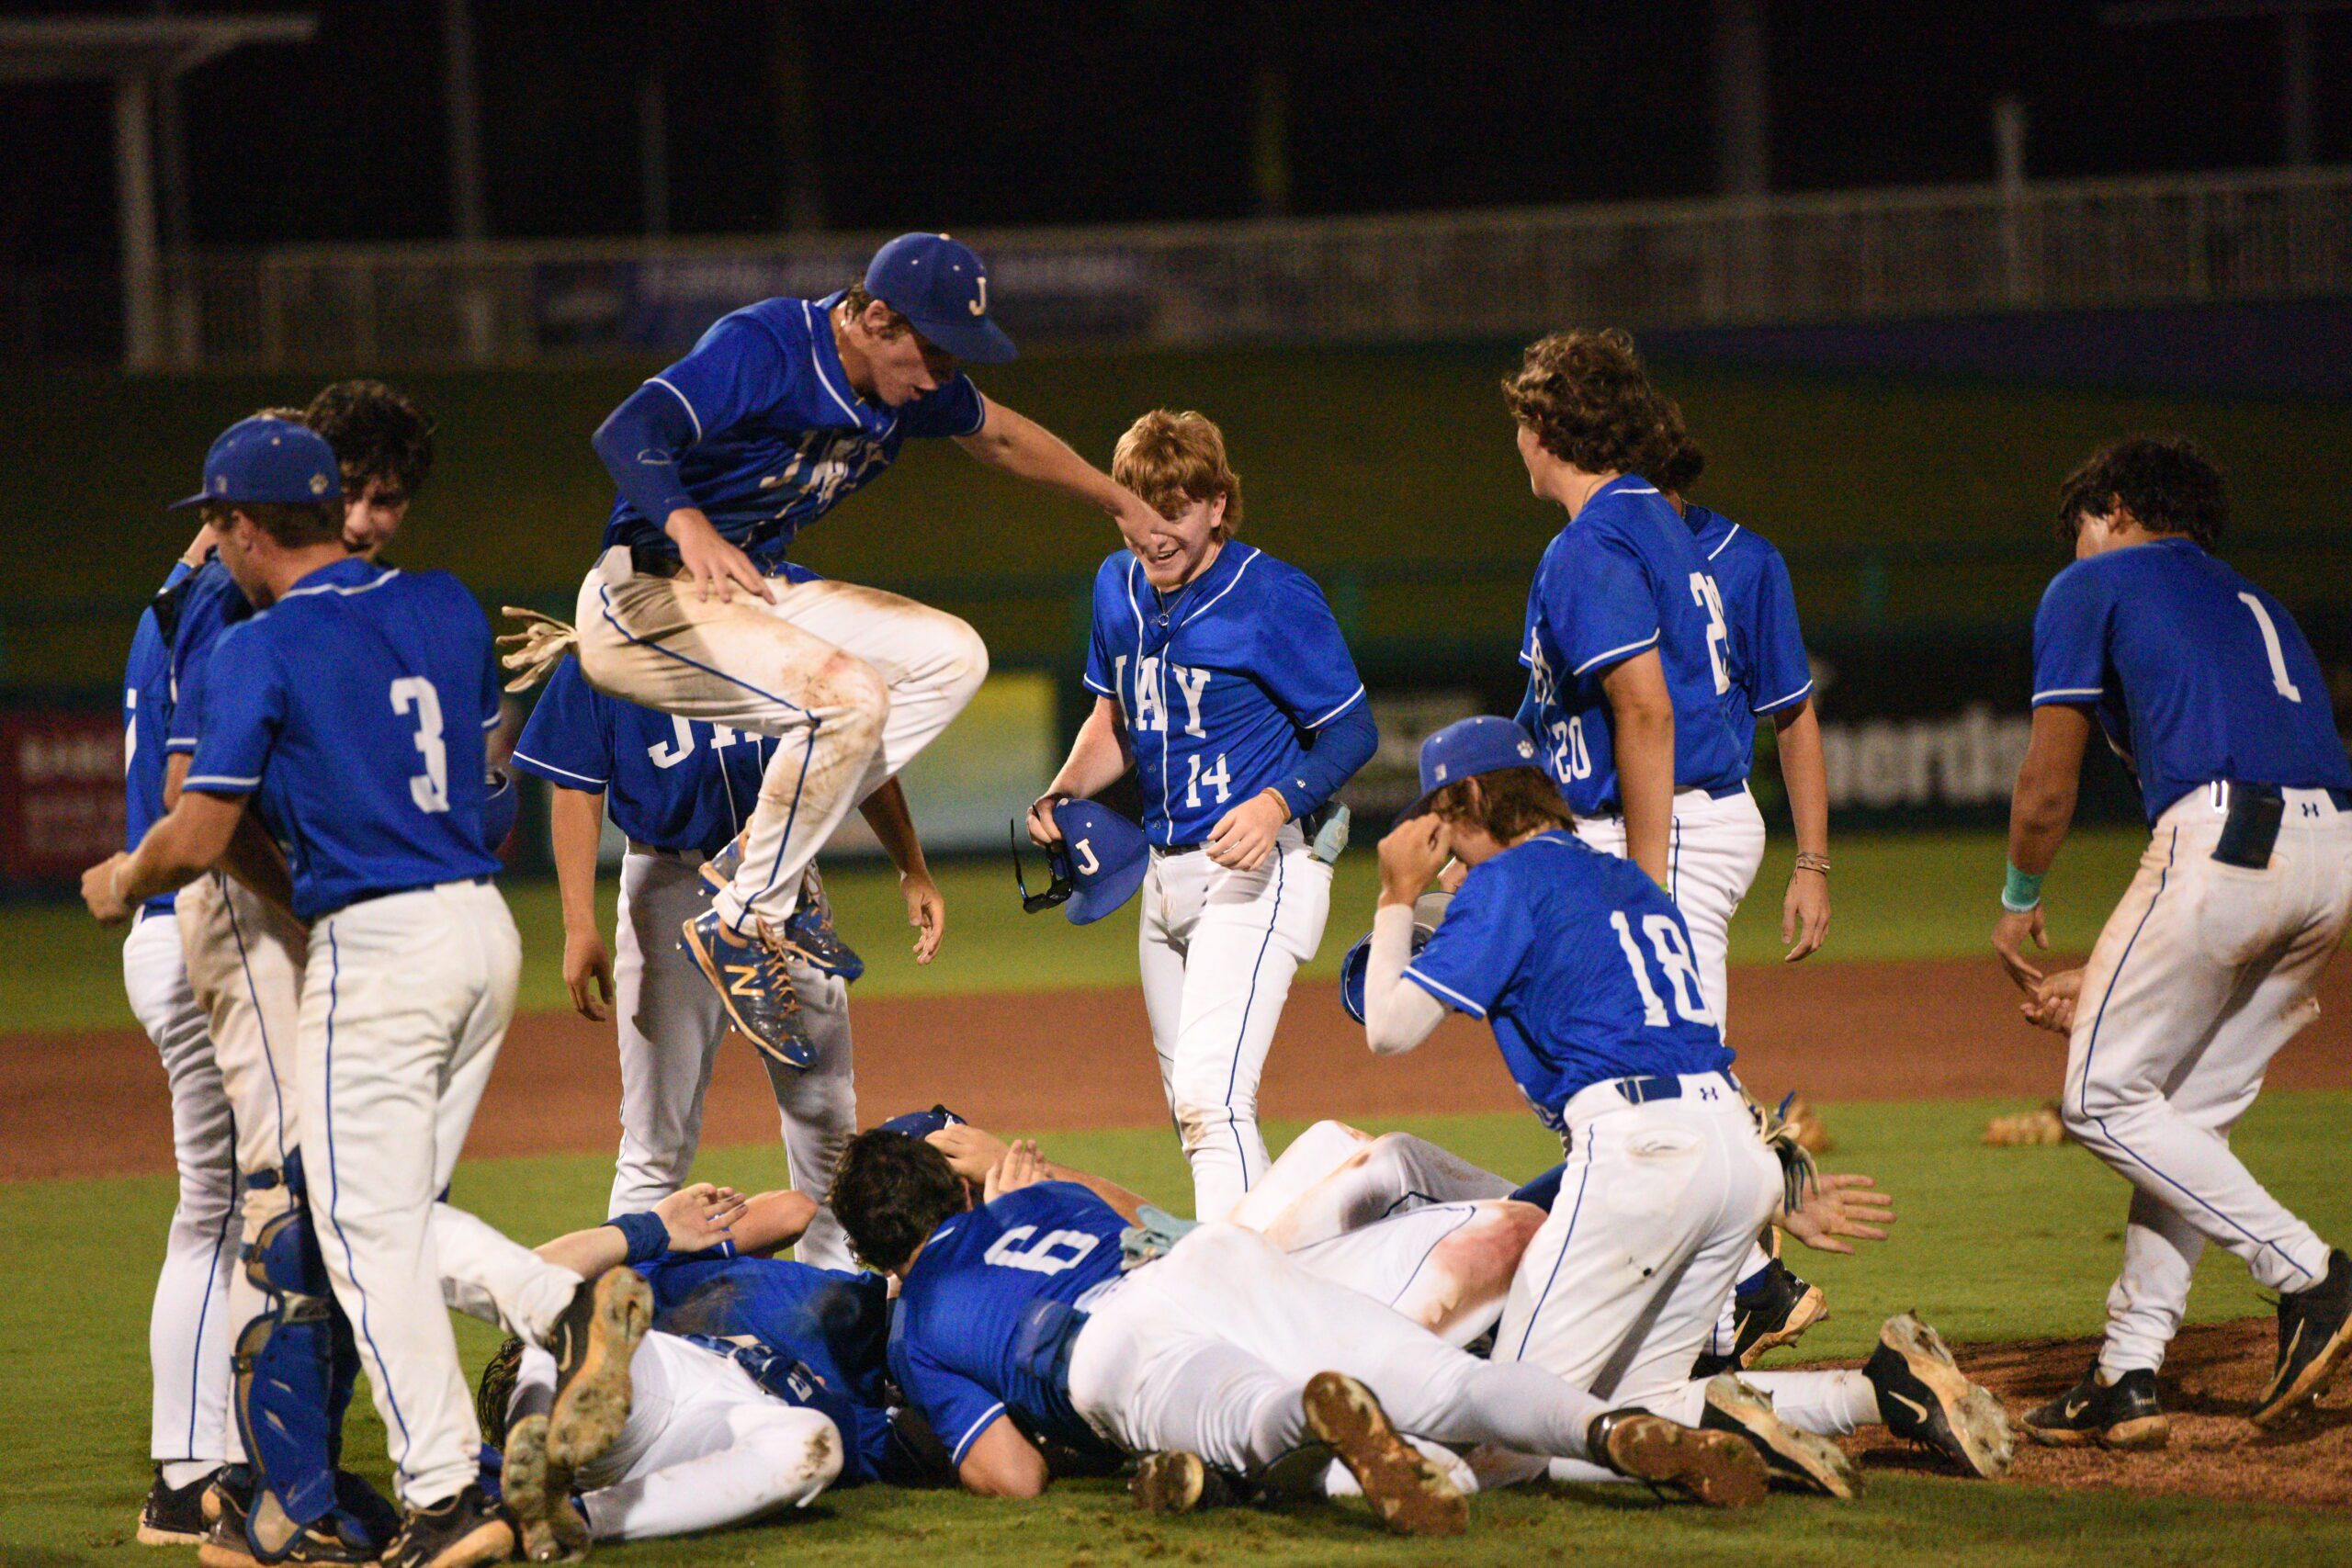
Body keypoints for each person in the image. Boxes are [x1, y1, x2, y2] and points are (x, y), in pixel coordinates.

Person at [83, 416, 645, 1568]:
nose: (210, 545)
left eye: (214, 524)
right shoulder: (442, 601)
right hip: (483, 931)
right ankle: (460, 1468)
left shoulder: (256, 646)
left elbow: (197, 830)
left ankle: (503, 1392)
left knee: (350, 1228)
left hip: (373, 948)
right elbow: (484, 759)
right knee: (385, 1212)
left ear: (243, 525)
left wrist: (121, 873)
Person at [552, 231, 1166, 1069]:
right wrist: (686, 522)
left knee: (953, 656)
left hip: (749, 593)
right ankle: (743, 918)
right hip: (641, 594)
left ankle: (753, 867)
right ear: (876, 318)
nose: (942, 376)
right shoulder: (765, 346)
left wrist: (1114, 500)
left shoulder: (912, 385)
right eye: (936, 352)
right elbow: (629, 430)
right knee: (851, 695)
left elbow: (1002, 438)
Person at [1357, 716, 2016, 1492]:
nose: (1440, 842)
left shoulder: (1508, 881)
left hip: (1642, 1159)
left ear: (1469, 795)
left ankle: (1752, 1439)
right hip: (1733, 1157)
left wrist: (1395, 894)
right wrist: (1782, 1181)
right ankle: (1880, 1391)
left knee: (1517, 1435)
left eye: (1441, 814)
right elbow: (1695, 1051)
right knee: (1647, 1405)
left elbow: (1389, 1031)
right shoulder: (1630, 882)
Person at [828, 1127, 1774, 1538]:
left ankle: (1317, 1417)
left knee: (1250, 1416)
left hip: (1107, 1353)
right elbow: (1154, 1216)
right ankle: (1604, 1432)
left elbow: (1016, 1477)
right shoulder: (1047, 1193)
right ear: (952, 1187)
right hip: (1203, 1266)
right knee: (1445, 1384)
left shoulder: (914, 1325)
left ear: (879, 1257)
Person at [1992, 435, 2352, 1443]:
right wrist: (2118, 974)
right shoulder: (2253, 601)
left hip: (2227, 842)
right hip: (2329, 858)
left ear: (2109, 509)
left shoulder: (2095, 583)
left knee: (2097, 1098)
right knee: (2183, 1122)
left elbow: (2046, 784)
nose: (2073, 551)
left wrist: (2019, 897)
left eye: (2077, 530)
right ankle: (2128, 1371)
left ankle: (2311, 1276)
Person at [136, 384, 444, 1562]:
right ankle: (275, 1503)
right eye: (349, 496)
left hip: (229, 916)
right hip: (226, 915)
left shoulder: (262, 590)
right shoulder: (232, 599)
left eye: (386, 500)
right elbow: (198, 809)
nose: (368, 522)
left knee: (250, 1208)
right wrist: (324, 899)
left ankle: (238, 1479)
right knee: (279, 1207)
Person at [1026, 411, 1376, 1220]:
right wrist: (1065, 787)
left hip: (1266, 865)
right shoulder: (1115, 586)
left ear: (1219, 504)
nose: (1155, 533)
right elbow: (1116, 715)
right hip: (1163, 877)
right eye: (1137, 510)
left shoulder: (1274, 596)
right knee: (1200, 1114)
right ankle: (1268, 1276)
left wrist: (1277, 799)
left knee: (1211, 1101)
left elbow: (1353, 729)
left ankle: (1240, 1305)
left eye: (1175, 510)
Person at [507, 650, 944, 1266]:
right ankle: (631, 1317)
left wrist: (911, 864)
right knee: (656, 1138)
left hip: (779, 875)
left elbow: (859, 749)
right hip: (666, 886)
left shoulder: (779, 618)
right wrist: (579, 922)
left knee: (825, 1115)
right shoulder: (611, 637)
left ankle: (838, 1306)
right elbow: (575, 784)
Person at [120, 523, 239, 1545]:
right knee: (220, 1208)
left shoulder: (162, 609)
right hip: (192, 926)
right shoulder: (212, 612)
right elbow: (189, 802)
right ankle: (187, 1473)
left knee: (228, 1209)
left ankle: (217, 1451)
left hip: (174, 931)